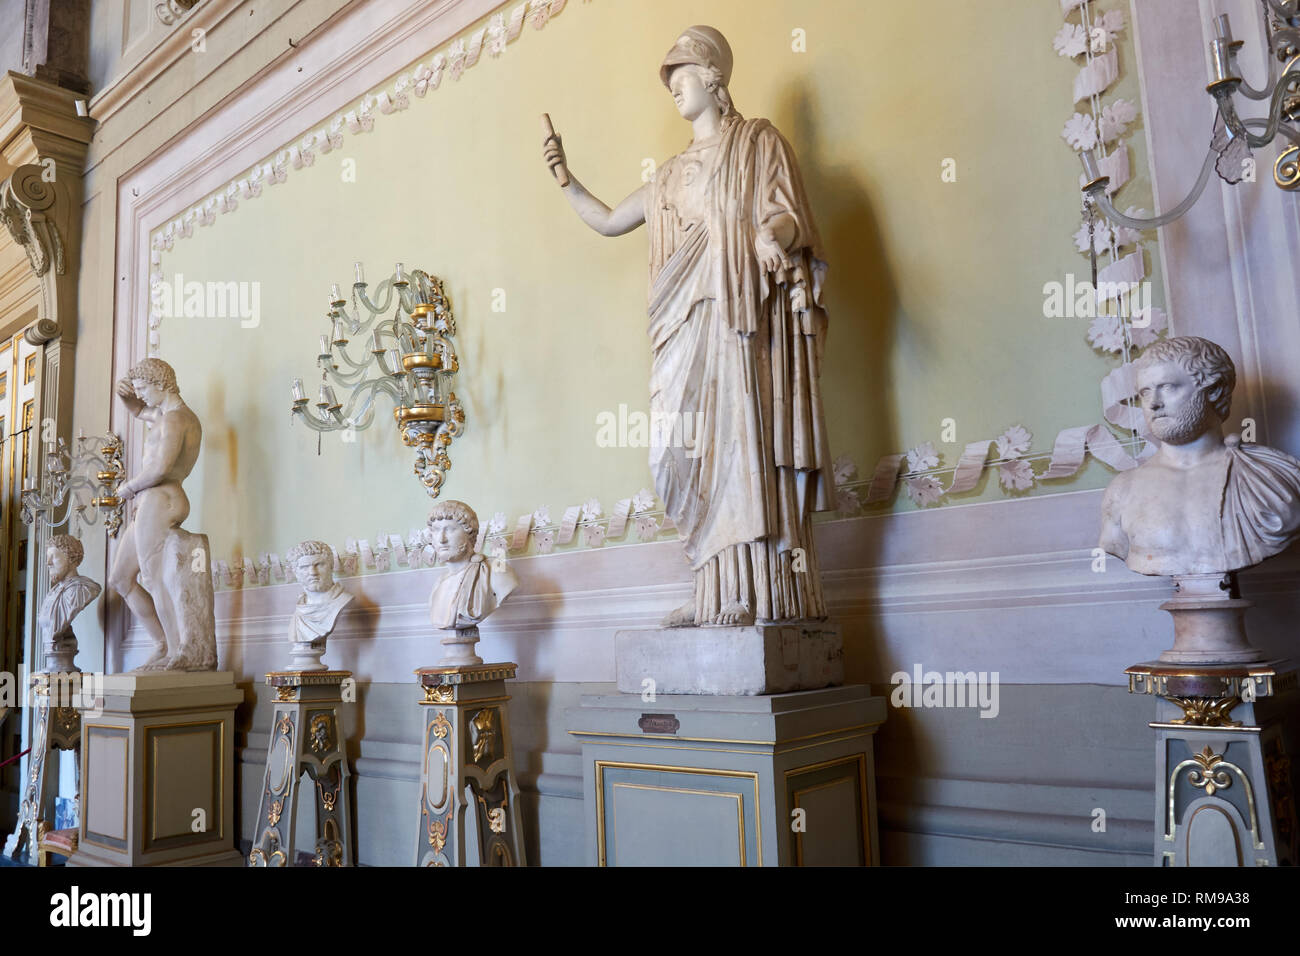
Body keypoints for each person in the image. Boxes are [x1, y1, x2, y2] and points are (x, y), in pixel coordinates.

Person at [543, 25, 834, 627]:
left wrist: (766, 234)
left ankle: (755, 593)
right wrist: (566, 181)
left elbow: (789, 217)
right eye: (670, 80)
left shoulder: (759, 144)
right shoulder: (668, 176)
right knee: (678, 449)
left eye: (684, 76)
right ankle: (709, 584)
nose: (675, 88)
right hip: (684, 327)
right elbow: (608, 220)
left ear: (714, 78)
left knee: (741, 441)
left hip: (741, 323)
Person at [1100, 335, 1300, 575]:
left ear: (1214, 390)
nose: (1153, 403)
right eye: (1145, 392)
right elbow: (1113, 544)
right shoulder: (1123, 489)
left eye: (1167, 387)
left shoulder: (1272, 477)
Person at [108, 357, 215, 670]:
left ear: (161, 383)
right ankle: (162, 643)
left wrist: (127, 489)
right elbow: (139, 409)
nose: (139, 394)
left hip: (161, 498)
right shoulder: (165, 415)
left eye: (143, 387)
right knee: (120, 579)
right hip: (152, 502)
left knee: (154, 579)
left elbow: (160, 468)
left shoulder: (176, 419)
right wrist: (123, 391)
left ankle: (177, 651)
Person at [427, 500, 517, 665]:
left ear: (470, 533)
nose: (441, 539)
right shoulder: (439, 583)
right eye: (436, 530)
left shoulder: (497, 570)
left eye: (450, 529)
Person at [285, 540, 353, 671]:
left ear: (331, 566)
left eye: (319, 564)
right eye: (304, 567)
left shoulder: (342, 600)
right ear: (295, 572)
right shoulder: (299, 609)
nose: (312, 572)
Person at [37, 534, 101, 672]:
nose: (48, 562)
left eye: (53, 556)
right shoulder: (52, 593)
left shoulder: (83, 588)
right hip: (53, 662)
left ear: (71, 557)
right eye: (48, 557)